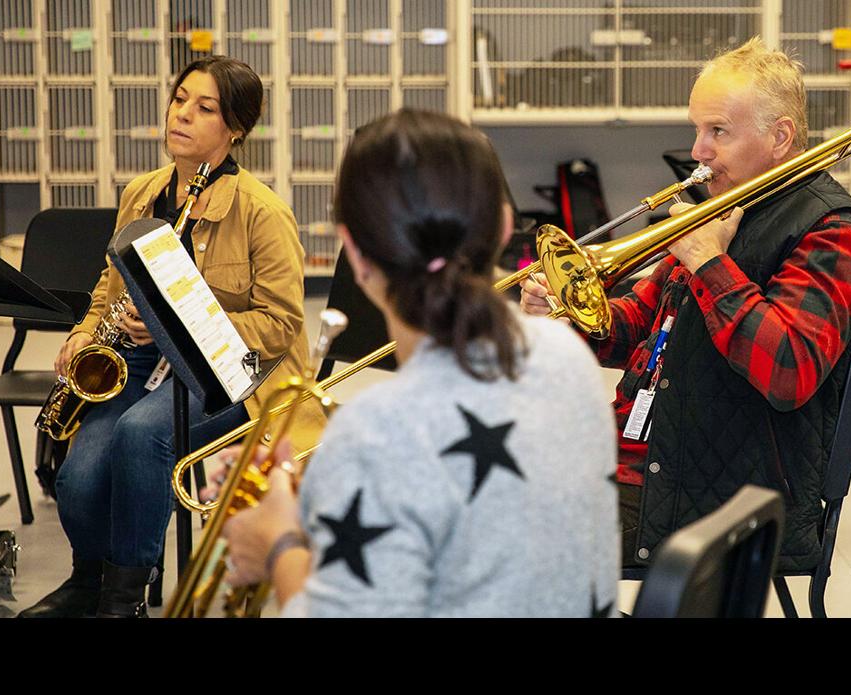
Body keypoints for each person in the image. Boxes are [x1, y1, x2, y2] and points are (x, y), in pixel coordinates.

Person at [219, 109, 619, 617]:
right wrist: (316, 498)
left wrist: (277, 544)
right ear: (502, 226)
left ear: (355, 256)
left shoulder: (374, 430)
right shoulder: (567, 355)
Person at [521, 37, 851, 574]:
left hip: (724, 496)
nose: (698, 150)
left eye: (717, 131)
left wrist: (709, 265)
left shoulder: (834, 232)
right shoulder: (728, 208)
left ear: (780, 137)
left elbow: (789, 371)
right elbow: (636, 328)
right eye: (698, 130)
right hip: (650, 458)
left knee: (493, 532)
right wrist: (567, 313)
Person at [19, 56, 323, 618]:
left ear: (235, 129)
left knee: (140, 435)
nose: (181, 114)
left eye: (204, 107)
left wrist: (172, 328)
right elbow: (108, 286)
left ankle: (124, 598)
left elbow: (280, 324)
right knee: (80, 476)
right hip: (136, 359)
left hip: (229, 372)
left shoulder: (263, 212)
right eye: (180, 98)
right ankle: (88, 580)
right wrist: (85, 335)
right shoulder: (142, 193)